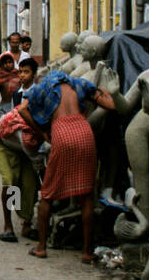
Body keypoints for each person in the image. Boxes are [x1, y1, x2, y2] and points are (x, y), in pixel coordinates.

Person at [18, 71, 115, 263]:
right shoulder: (79, 84)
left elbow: (22, 110)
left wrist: (43, 132)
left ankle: (41, 248)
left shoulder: (42, 88)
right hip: (84, 131)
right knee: (86, 194)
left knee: (47, 192)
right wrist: (106, 91)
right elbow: (110, 105)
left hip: (61, 132)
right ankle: (87, 252)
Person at [0, 104, 44, 243]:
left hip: (20, 146)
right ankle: (8, 226)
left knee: (30, 184)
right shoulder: (25, 133)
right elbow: (38, 163)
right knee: (11, 181)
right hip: (2, 141)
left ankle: (26, 224)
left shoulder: (41, 121)